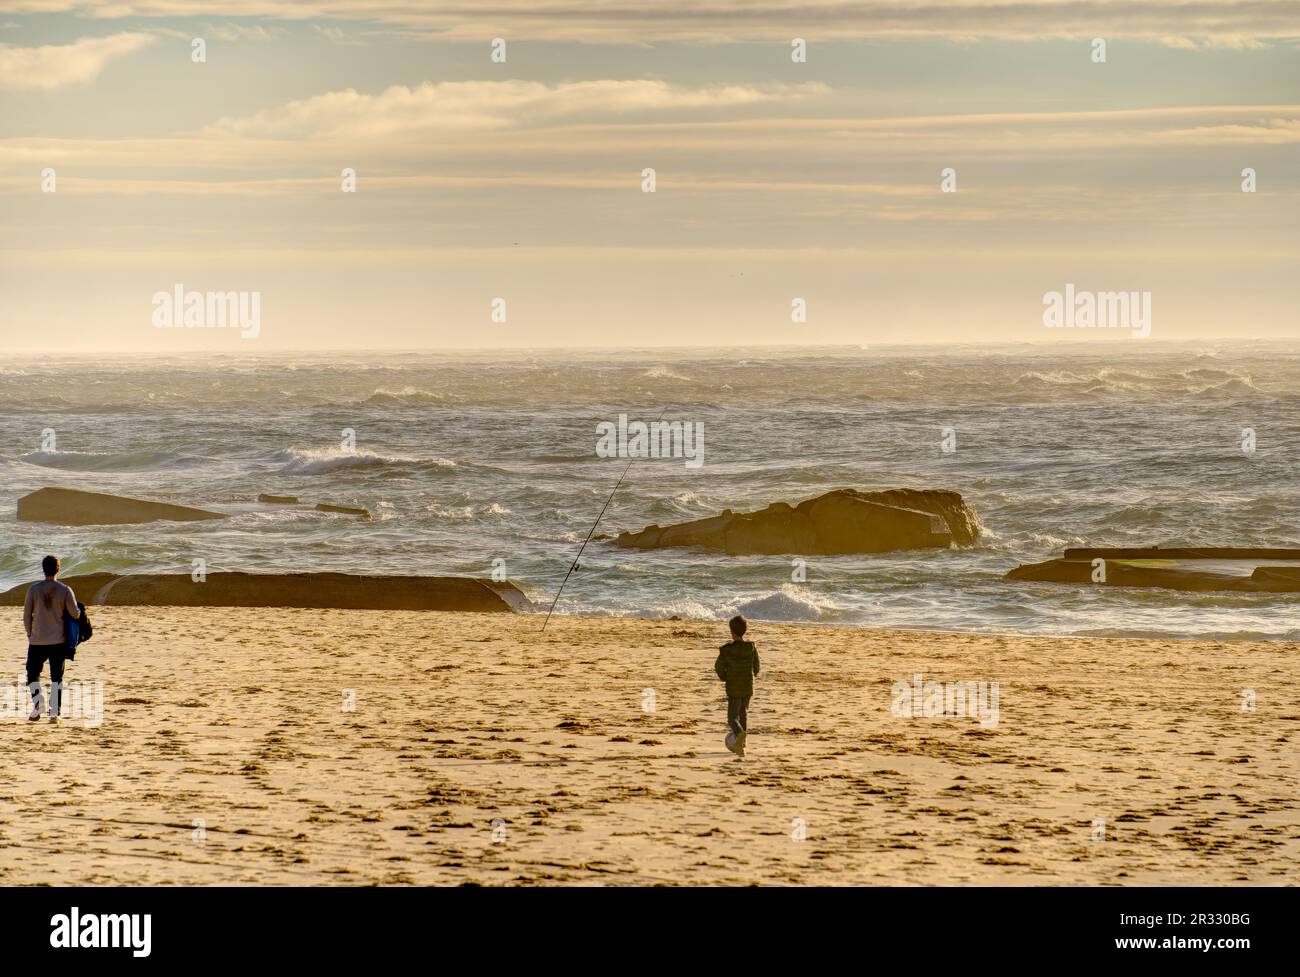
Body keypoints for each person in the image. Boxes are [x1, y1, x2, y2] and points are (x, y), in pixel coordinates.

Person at [22, 555, 79, 722]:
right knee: (56, 678)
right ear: (58, 570)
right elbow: (75, 614)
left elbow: (26, 616)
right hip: (58, 641)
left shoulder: (34, 589)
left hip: (37, 640)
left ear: (43, 569)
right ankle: (54, 712)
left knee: (32, 674)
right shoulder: (65, 590)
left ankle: (38, 704)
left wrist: (29, 633)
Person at [714, 614, 760, 756]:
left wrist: (724, 677)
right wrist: (754, 673)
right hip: (747, 687)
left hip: (734, 688)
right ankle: (741, 745)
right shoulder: (751, 648)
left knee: (732, 718)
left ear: (731, 631)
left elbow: (718, 667)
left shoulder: (727, 650)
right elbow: (757, 667)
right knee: (743, 715)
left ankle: (739, 734)